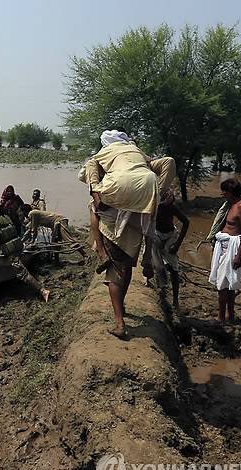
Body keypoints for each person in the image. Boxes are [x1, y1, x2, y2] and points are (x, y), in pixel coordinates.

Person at [82, 129, 176, 338]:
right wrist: (159, 191)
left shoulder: (105, 153)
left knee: (94, 211)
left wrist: (95, 187)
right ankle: (121, 307)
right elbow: (166, 162)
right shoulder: (136, 151)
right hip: (147, 189)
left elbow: (86, 171)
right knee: (127, 266)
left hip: (116, 201)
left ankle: (119, 323)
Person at [208, 179, 241, 322]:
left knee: (223, 285)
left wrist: (239, 255)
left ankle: (222, 317)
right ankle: (230, 316)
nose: (222, 194)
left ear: (230, 192)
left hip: (234, 248)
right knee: (225, 284)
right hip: (224, 246)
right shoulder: (229, 205)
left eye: (224, 191)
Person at [0, 204, 50, 302]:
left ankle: (43, 291)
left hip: (11, 251)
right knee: (20, 268)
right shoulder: (4, 217)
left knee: (22, 273)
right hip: (18, 247)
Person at [144, 190, 189, 309]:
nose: (168, 205)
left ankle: (175, 300)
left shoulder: (172, 208)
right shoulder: (154, 208)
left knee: (174, 269)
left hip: (170, 236)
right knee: (158, 266)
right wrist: (147, 250)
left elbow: (186, 222)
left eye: (171, 203)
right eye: (166, 203)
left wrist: (177, 244)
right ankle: (159, 289)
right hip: (156, 234)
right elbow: (146, 227)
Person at [22, 208, 87, 259]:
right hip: (55, 223)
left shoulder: (32, 213)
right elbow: (30, 230)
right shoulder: (33, 216)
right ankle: (56, 261)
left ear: (24, 211)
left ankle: (85, 255)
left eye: (21, 212)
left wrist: (32, 241)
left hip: (59, 220)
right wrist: (23, 241)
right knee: (55, 242)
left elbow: (34, 230)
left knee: (68, 239)